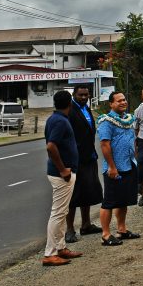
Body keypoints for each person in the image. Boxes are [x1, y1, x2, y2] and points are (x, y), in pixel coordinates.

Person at [43, 90, 83, 266]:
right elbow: (51, 146)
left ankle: (60, 247)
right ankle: (50, 253)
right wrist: (63, 170)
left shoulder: (55, 118)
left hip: (62, 171)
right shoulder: (59, 121)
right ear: (70, 104)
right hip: (61, 174)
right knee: (58, 213)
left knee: (62, 211)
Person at [98, 92, 140, 246]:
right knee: (109, 202)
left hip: (129, 164)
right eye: (119, 101)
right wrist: (111, 166)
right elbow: (104, 144)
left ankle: (122, 230)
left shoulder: (127, 119)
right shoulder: (106, 121)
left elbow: (132, 140)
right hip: (114, 169)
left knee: (123, 201)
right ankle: (106, 234)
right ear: (111, 104)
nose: (123, 102)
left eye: (124, 100)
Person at [65, 83, 103, 242]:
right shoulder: (70, 111)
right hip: (75, 160)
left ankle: (86, 224)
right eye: (80, 95)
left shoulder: (86, 109)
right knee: (73, 196)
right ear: (74, 95)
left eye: (86, 95)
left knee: (88, 191)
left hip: (89, 157)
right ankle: (69, 229)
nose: (84, 98)